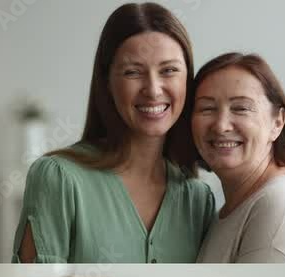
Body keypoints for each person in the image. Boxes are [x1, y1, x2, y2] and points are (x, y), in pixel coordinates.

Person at [12, 2, 215, 263]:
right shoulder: (58, 179)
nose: (153, 89)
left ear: (187, 79)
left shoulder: (198, 200)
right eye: (133, 72)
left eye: (169, 70)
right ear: (107, 82)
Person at [192, 53, 285, 263]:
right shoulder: (233, 209)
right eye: (207, 108)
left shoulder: (279, 206)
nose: (221, 125)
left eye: (241, 108)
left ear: (277, 123)